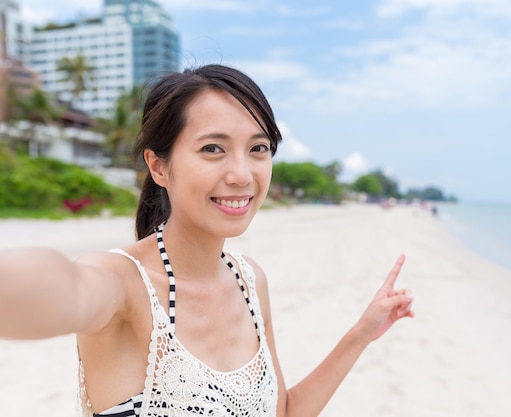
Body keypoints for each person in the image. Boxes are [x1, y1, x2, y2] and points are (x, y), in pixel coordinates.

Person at [0, 64, 414, 417]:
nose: (242, 174)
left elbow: (282, 411)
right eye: (213, 148)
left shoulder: (251, 281)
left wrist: (362, 332)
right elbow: (60, 287)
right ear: (159, 167)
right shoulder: (124, 282)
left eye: (258, 148)